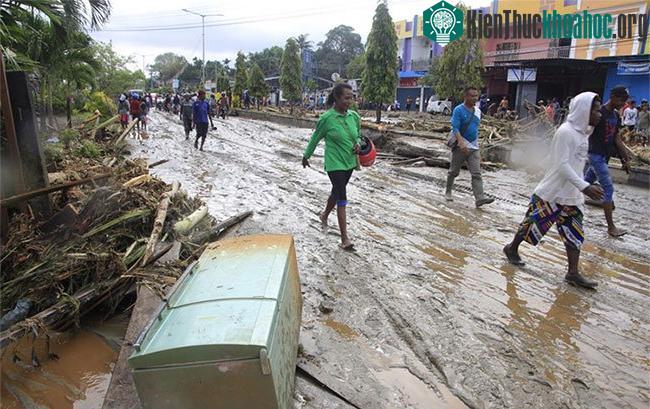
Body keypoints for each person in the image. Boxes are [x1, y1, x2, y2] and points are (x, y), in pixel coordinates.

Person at [503, 92, 604, 289]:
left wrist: (584, 185)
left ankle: (573, 273)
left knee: (574, 234)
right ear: (584, 110)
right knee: (531, 225)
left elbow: (575, 164)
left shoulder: (583, 134)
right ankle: (511, 248)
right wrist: (585, 187)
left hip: (572, 196)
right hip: (551, 193)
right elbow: (562, 165)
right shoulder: (565, 132)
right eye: (596, 110)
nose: (599, 114)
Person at [302, 83, 361, 251]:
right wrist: (306, 155)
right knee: (342, 196)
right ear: (336, 98)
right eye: (346, 98)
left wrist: (358, 145)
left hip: (349, 162)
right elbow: (315, 138)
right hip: (334, 163)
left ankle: (324, 215)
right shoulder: (326, 119)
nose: (350, 101)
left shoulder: (354, 117)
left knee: (336, 192)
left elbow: (358, 135)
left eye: (352, 97)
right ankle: (345, 239)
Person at [584, 85, 630, 237]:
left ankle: (560, 203)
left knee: (582, 183)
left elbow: (616, 138)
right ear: (614, 97)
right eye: (622, 101)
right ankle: (611, 228)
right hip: (594, 155)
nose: (623, 104)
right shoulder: (599, 113)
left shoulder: (615, 116)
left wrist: (625, 158)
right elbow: (586, 132)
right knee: (608, 189)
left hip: (604, 156)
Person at [445, 86, 495, 207]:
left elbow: (475, 128)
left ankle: (479, 197)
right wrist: (461, 143)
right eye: (472, 96)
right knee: (453, 171)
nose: (474, 98)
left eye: (476, 96)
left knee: (476, 173)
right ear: (466, 96)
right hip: (460, 146)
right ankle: (448, 191)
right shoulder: (458, 110)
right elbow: (455, 128)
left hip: (474, 147)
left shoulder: (477, 111)